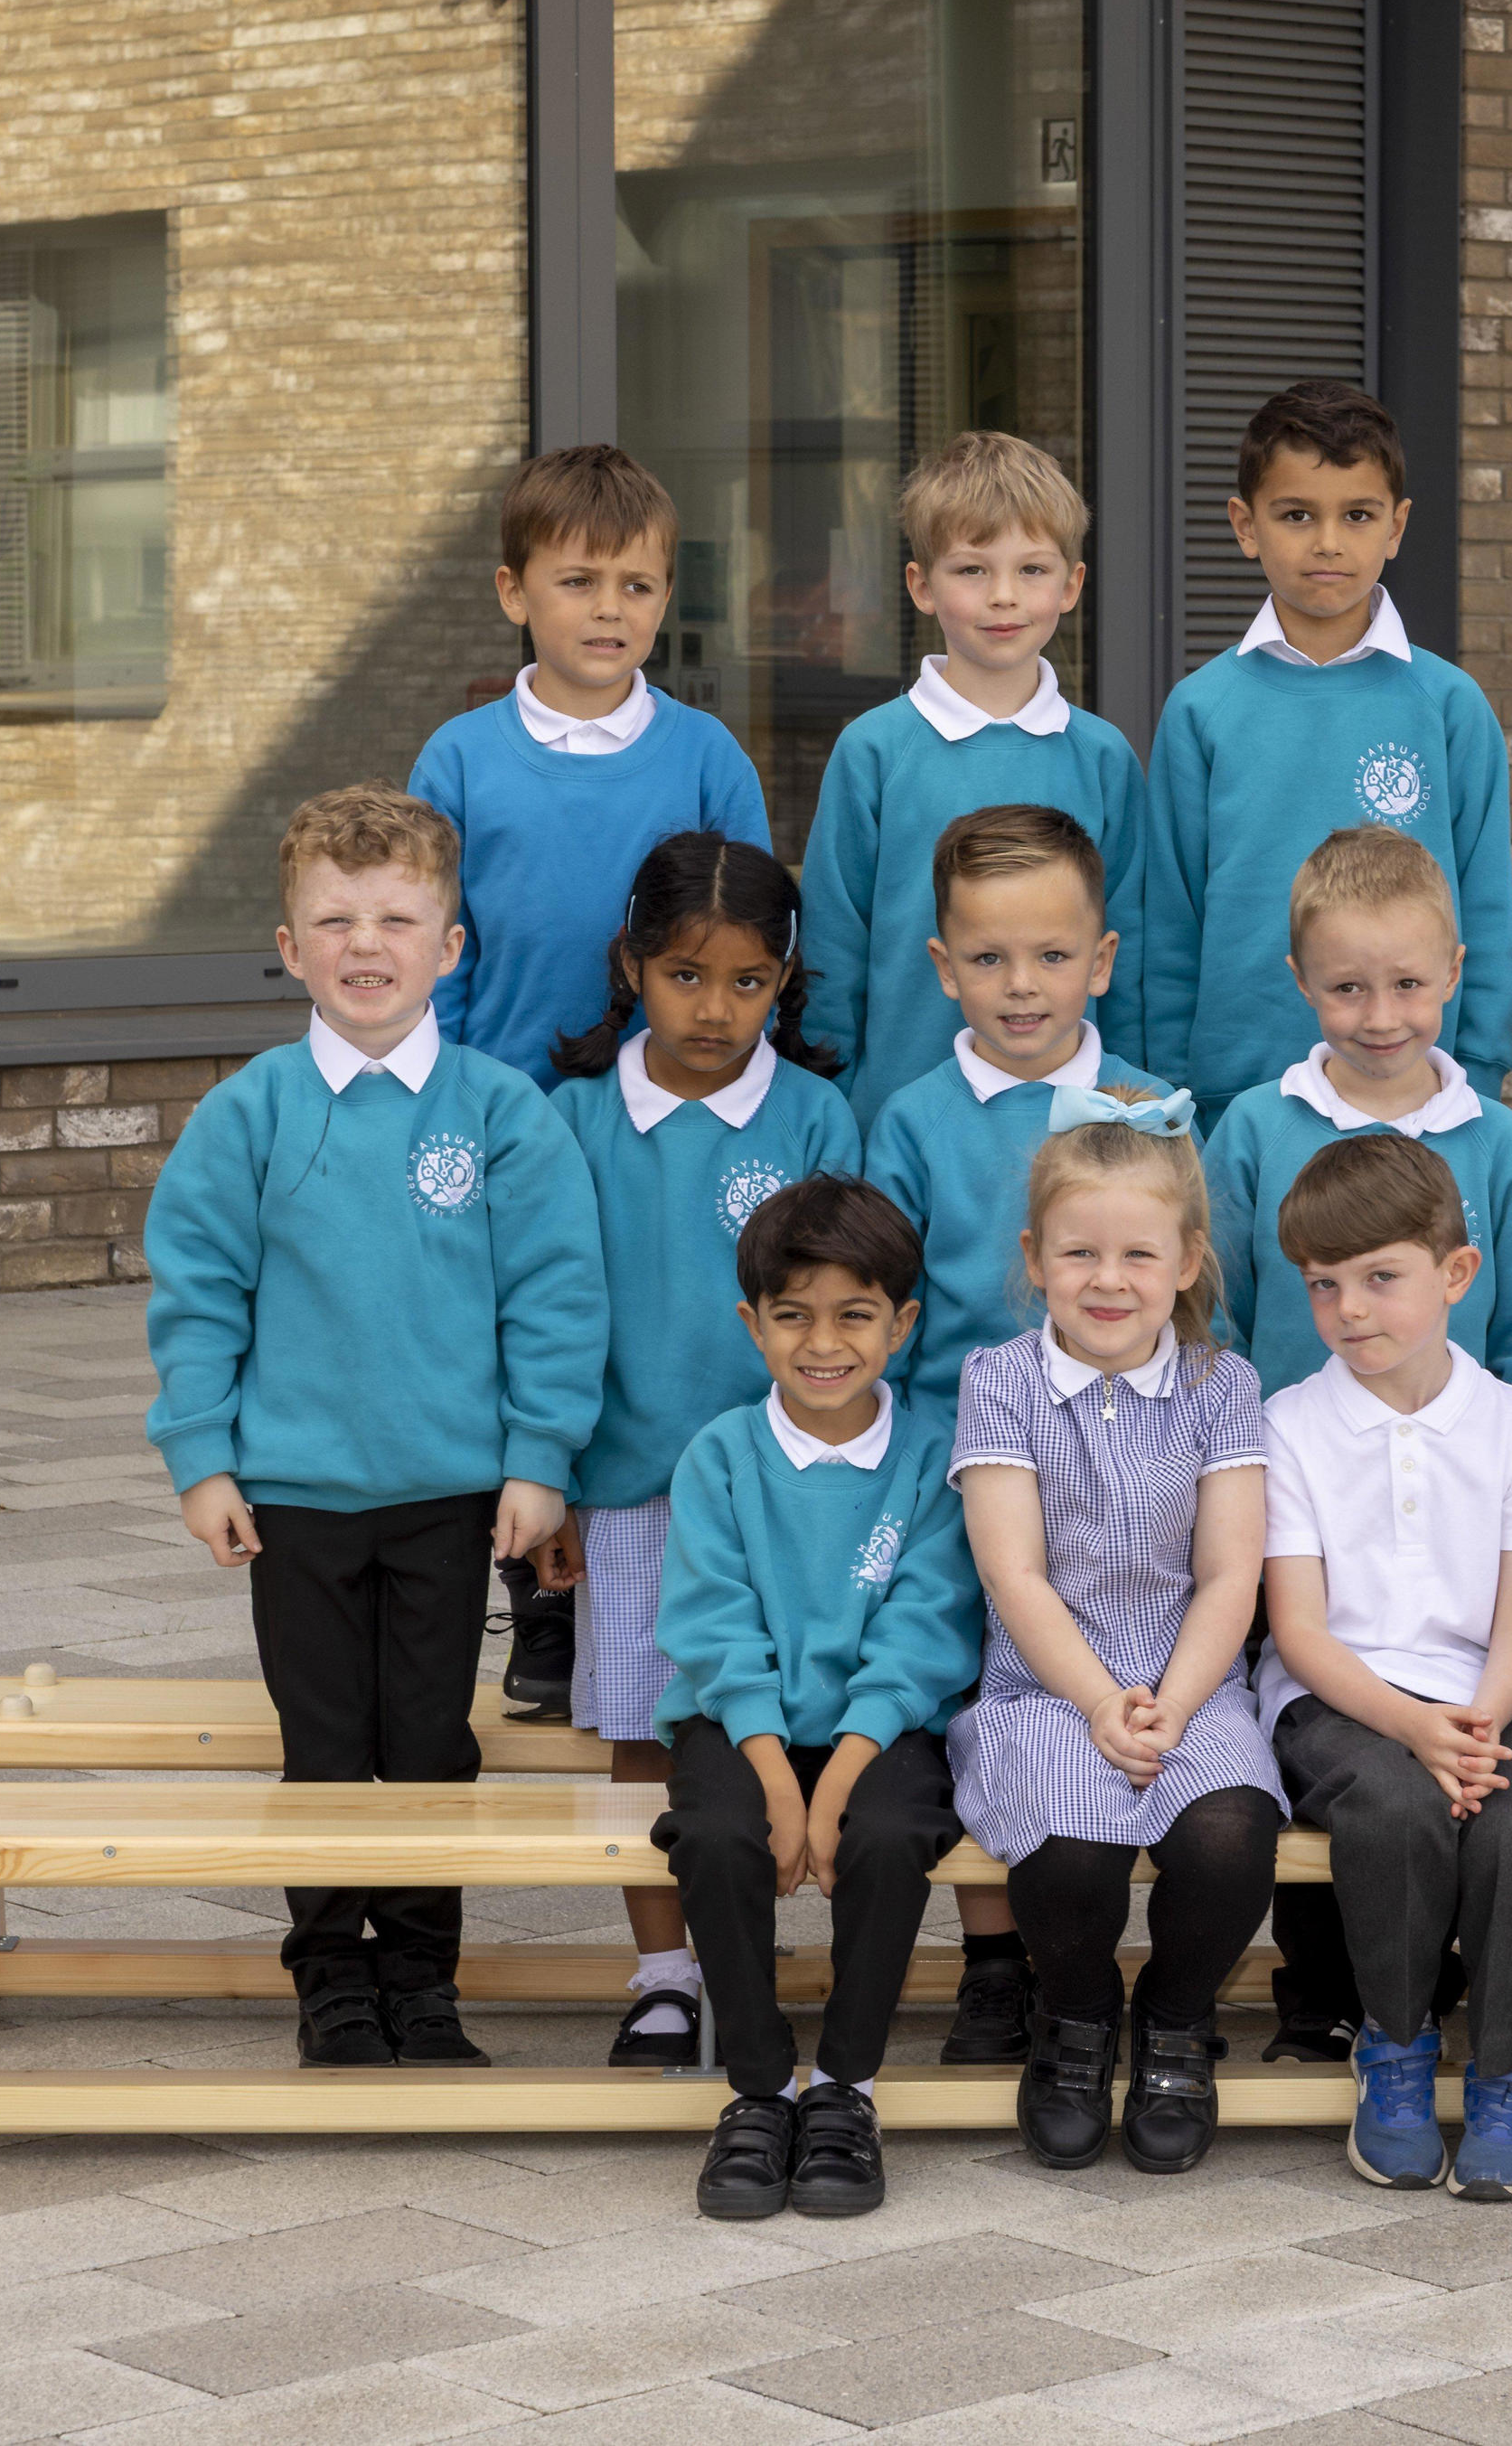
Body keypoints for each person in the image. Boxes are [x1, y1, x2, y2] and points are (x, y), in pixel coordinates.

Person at [140, 784, 606, 2070]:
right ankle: (331, 1976)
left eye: (398, 918)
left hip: (450, 1497)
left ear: (450, 947)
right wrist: (202, 1458)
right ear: (289, 947)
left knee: (429, 1742)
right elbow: (198, 1294)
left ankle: (421, 1974)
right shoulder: (250, 1115)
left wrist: (538, 1460)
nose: (366, 944)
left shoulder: (501, 1112)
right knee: (328, 1745)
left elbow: (556, 1297)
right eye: (334, 918)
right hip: (293, 1496)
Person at [407, 443, 770, 1712]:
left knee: (626, 1331)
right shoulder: (460, 759)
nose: (608, 610)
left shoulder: (706, 756)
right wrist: (444, 1084)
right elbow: (430, 935)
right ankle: (539, 1604)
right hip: (506, 1107)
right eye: (578, 582)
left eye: (635, 585)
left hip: (660, 1104)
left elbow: (749, 935)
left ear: (666, 600)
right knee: (524, 1345)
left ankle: (649, 1581)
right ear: (516, 594)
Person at [534, 831, 861, 2069]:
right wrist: (556, 1475)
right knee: (644, 1727)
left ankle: (765, 1950)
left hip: (794, 1488)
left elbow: (854, 1305)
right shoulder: (573, 1121)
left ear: (784, 981)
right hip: (632, 1493)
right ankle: (665, 1974)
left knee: (784, 1714)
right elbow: (550, 1311)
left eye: (746, 981)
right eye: (684, 975)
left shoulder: (820, 1111)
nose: (714, 1007)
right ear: (631, 967)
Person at [862, 803, 1169, 2062]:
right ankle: (996, 1960)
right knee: (984, 1708)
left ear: (1100, 956)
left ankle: (1075, 1952)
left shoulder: (1147, 1107)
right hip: (964, 1476)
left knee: (1090, 1698)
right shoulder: (914, 1119)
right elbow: (892, 1312)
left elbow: (1187, 1295)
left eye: (1050, 955)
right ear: (943, 967)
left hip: (1121, 1475)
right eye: (988, 959)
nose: (1022, 984)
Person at [951, 1105, 1284, 2174]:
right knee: (1072, 1848)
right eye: (1078, 1252)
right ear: (1033, 1261)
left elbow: (1231, 1572)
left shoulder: (1220, 1386)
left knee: (1232, 1837)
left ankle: (1176, 2023)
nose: (1108, 1279)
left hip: (1189, 1681)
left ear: (1187, 1261)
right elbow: (1015, 1574)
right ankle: (1077, 2023)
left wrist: (1175, 1705)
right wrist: (1099, 1704)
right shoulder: (999, 1381)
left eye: (1139, 1253)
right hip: (1047, 1687)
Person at [1258, 1134, 1512, 2200]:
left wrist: (1479, 1727)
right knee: (1394, 1810)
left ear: (1454, 1274)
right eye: (1324, 1286)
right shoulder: (1289, 1427)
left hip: (1482, 1696)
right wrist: (1410, 1726)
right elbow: (1300, 1632)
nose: (1352, 1311)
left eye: (1380, 1278)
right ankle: (1393, 2050)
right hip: (1337, 1701)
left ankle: (1503, 2070)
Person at [654, 1176, 976, 2222]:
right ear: (753, 1325)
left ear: (902, 1324)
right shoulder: (721, 1458)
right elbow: (713, 1628)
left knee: (888, 1838)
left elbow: (923, 1635)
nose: (822, 1342)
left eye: (854, 1314)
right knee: (714, 1836)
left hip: (879, 1729)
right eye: (792, 1315)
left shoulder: (933, 1461)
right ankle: (757, 2091)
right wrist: (777, 1790)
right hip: (736, 1723)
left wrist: (831, 1788)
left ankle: (845, 2087)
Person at [1141, 380, 1512, 1119]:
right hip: (1233, 1096)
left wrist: (1475, 1073)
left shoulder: (1449, 707)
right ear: (1245, 526)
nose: (1327, 541)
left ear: (1397, 526)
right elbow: (1169, 925)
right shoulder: (1199, 712)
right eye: (1296, 515)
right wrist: (1167, 1092)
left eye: (1357, 515)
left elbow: (1483, 909)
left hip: (1414, 1091)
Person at [800, 432, 1150, 1134]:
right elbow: (832, 952)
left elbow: (1133, 950)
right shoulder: (873, 750)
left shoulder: (1103, 757)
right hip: (896, 1117)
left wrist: (1133, 1105)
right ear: (921, 586)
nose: (1002, 597)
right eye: (970, 570)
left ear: (1071, 584)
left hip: (1076, 1124)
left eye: (1031, 569)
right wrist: (832, 1107)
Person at [1207, 826, 1512, 1422]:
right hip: (1289, 1482)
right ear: (1302, 979)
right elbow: (1213, 1318)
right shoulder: (1253, 1129)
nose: (1381, 1018)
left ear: (1452, 973)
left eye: (1407, 984)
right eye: (1348, 987)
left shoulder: (1499, 1143)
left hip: (1462, 1479)